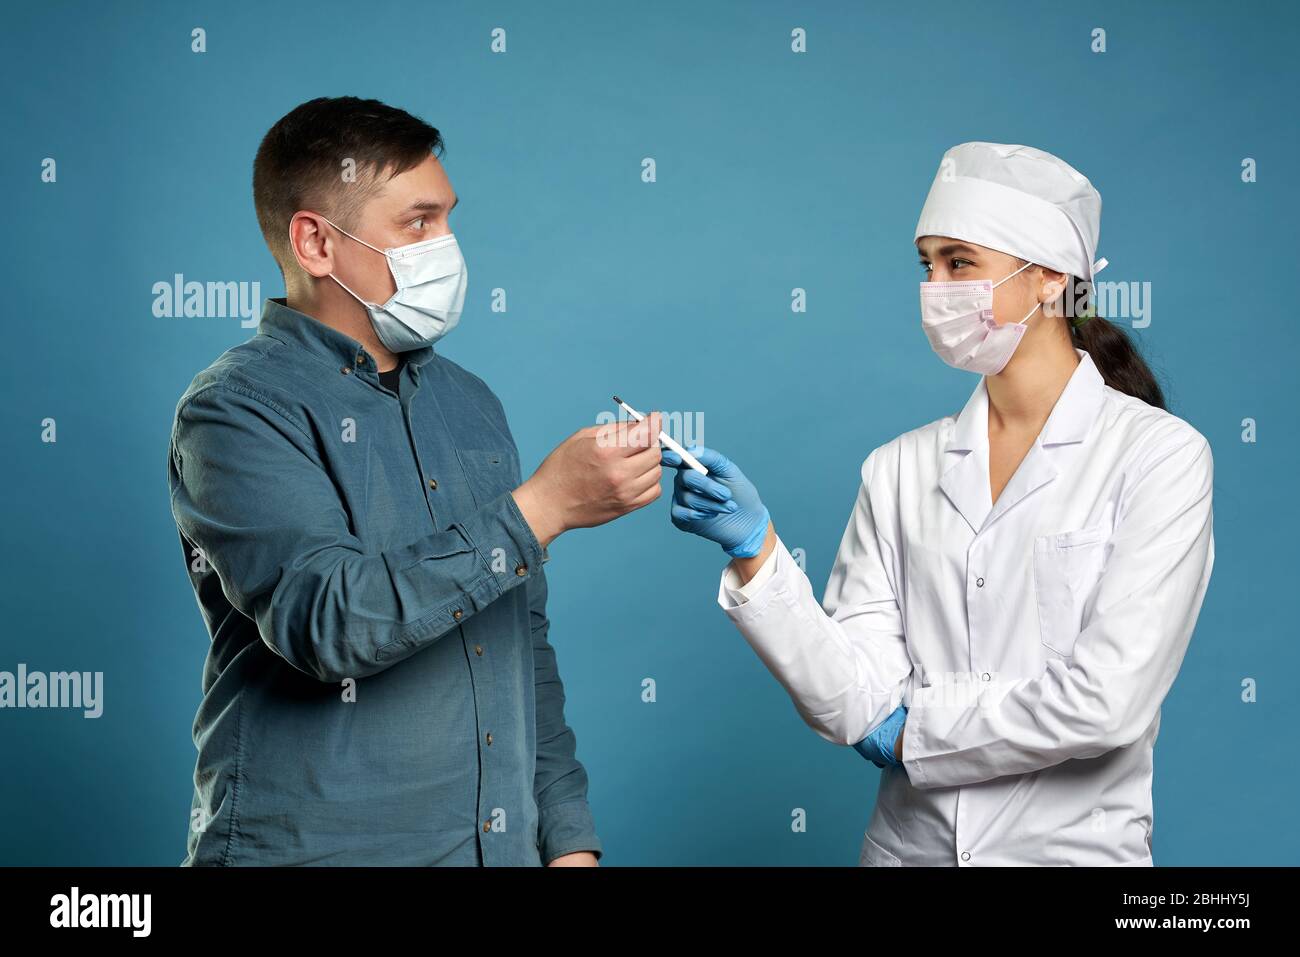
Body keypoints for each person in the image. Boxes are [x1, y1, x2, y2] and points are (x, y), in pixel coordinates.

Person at [662, 142, 1214, 867]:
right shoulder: (897, 468)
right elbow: (853, 702)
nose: (936, 287)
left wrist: (915, 730)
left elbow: (1106, 700)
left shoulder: (1159, 457)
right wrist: (758, 551)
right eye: (926, 264)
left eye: (960, 262)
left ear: (1049, 276)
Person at [168, 96, 664, 866]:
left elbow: (518, 643)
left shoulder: (470, 403)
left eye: (448, 219)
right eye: (418, 223)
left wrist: (567, 843)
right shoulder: (234, 410)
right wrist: (541, 508)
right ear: (316, 243)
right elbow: (326, 620)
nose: (447, 246)